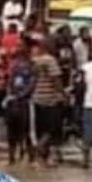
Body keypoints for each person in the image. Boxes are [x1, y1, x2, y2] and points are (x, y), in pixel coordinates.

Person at [30, 36, 67, 164]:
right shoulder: (51, 60)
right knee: (52, 129)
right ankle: (39, 149)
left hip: (37, 98)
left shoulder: (35, 60)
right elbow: (56, 80)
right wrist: (63, 94)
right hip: (50, 100)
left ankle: (42, 158)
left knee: (41, 129)